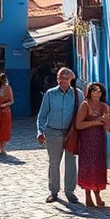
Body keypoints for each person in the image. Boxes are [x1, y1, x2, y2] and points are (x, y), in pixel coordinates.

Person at [36, 67, 85, 203]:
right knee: (54, 162)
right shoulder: (50, 94)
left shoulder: (77, 94)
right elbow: (42, 114)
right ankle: (54, 191)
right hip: (53, 132)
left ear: (71, 79)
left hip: (70, 133)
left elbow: (83, 113)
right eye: (61, 78)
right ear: (57, 79)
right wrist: (40, 131)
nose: (63, 81)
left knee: (71, 163)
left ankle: (70, 191)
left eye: (66, 78)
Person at [75, 82, 110, 207]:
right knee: (87, 166)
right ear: (89, 92)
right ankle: (88, 194)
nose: (97, 93)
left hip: (100, 140)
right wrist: (95, 122)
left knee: (99, 165)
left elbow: (107, 128)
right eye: (95, 90)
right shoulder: (85, 105)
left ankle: (97, 194)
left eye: (99, 91)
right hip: (87, 140)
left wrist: (107, 120)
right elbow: (78, 125)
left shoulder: (104, 106)